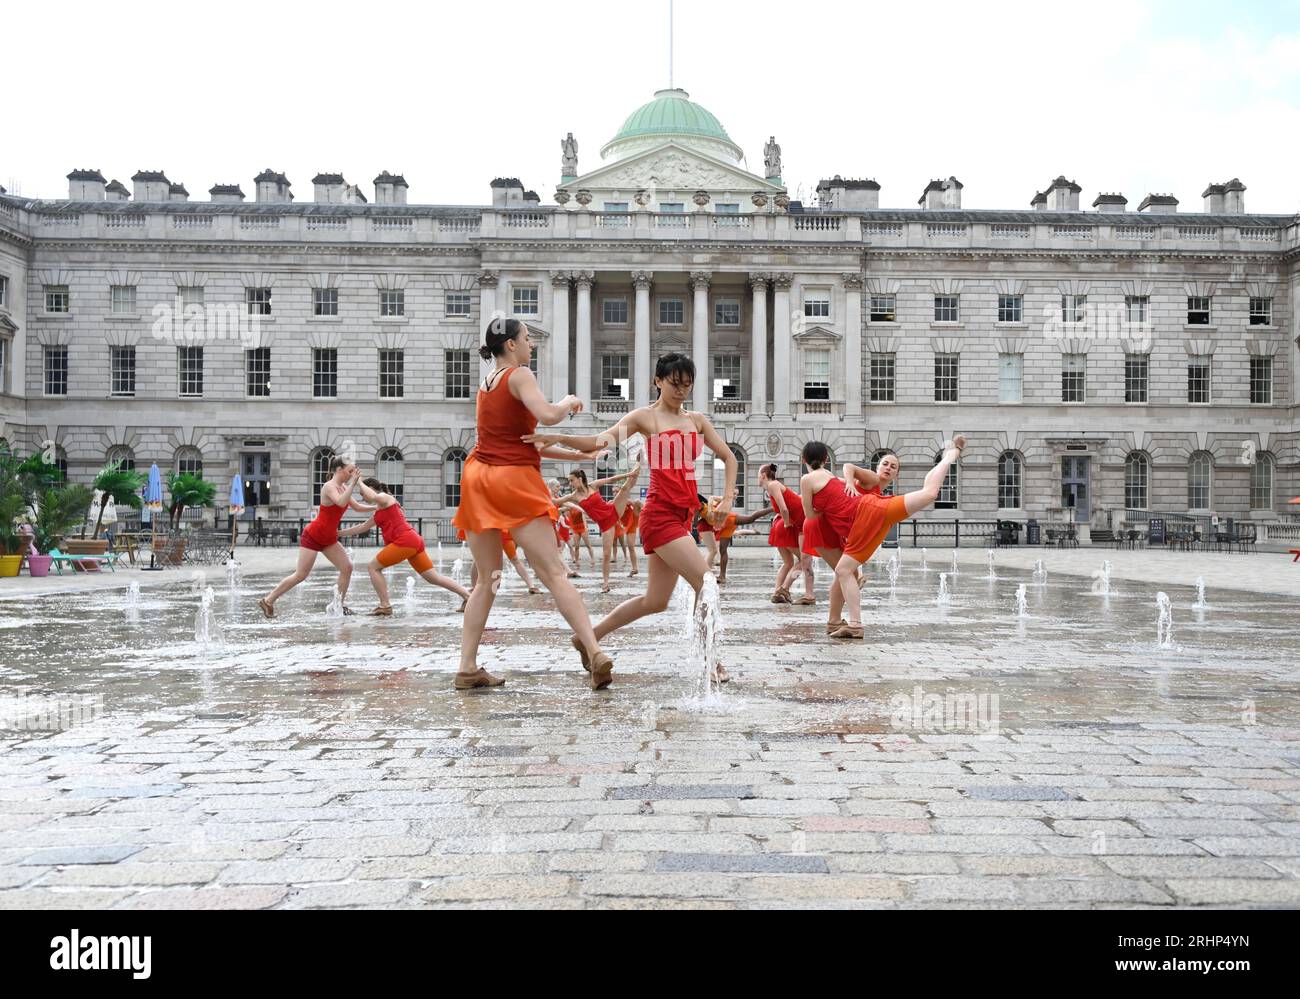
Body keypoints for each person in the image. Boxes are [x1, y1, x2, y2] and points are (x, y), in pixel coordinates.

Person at [524, 352, 737, 683]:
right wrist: (561, 437)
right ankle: (710, 660)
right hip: (660, 515)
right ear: (657, 381)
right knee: (706, 582)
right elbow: (598, 442)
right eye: (674, 383)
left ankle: (587, 637)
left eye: (687, 384)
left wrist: (728, 497)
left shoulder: (697, 421)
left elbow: (729, 457)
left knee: (655, 601)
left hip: (683, 517)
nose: (681, 390)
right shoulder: (645, 418)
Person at [451, 318, 613, 690]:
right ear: (511, 344)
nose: (531, 344)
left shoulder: (486, 384)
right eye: (526, 338)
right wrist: (569, 401)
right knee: (554, 574)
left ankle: (467, 667)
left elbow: (525, 442)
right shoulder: (520, 374)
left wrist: (578, 457)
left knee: (487, 580)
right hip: (512, 480)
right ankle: (593, 652)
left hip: (478, 478)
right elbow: (549, 416)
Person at [829, 437, 967, 639]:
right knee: (843, 571)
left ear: (896, 475)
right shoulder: (870, 479)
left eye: (893, 467)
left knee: (929, 493)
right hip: (869, 521)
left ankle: (949, 456)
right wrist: (848, 482)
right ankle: (843, 622)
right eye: (885, 464)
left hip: (876, 515)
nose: (888, 468)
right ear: (877, 467)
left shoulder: (879, 493)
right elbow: (844, 472)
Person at [259, 459, 374, 617]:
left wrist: (380, 506)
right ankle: (268, 600)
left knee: (347, 567)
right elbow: (341, 502)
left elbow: (357, 507)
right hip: (314, 535)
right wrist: (353, 483)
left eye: (353, 472)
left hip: (329, 537)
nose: (352, 475)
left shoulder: (343, 487)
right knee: (301, 575)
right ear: (338, 469)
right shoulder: (329, 486)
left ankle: (338, 606)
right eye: (350, 471)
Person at [340, 478, 471, 615]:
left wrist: (359, 481)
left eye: (362, 493)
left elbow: (373, 496)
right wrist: (339, 533)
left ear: (371, 488)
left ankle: (385, 605)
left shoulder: (385, 497)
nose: (362, 497)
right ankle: (468, 596)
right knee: (433, 577)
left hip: (405, 541)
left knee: (373, 567)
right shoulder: (380, 509)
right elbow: (362, 527)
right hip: (413, 541)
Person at [799, 442, 861, 636]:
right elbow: (810, 516)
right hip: (819, 527)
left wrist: (824, 510)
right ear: (826, 459)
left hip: (823, 525)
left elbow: (809, 512)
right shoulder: (831, 477)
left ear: (803, 459)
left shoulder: (808, 479)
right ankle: (835, 620)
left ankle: (835, 620)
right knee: (847, 572)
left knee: (846, 572)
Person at [553, 466, 641, 592]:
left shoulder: (593, 485)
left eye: (571, 480)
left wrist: (629, 474)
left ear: (579, 479)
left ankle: (637, 466)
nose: (570, 483)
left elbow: (611, 479)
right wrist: (543, 492)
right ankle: (605, 584)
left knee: (625, 487)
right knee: (606, 555)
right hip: (605, 524)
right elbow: (556, 501)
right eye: (569, 481)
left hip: (613, 510)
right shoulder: (574, 496)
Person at [761, 463, 814, 605]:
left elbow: (784, 509)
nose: (757, 478)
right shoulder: (773, 486)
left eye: (758, 475)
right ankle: (783, 590)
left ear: (763, 475)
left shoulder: (773, 485)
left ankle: (781, 590)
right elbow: (789, 504)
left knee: (798, 562)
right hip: (800, 522)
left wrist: (785, 522)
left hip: (802, 520)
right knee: (803, 561)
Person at [702, 498, 771, 583]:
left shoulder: (706, 505)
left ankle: (773, 508)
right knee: (722, 550)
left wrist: (710, 509)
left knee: (750, 519)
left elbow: (715, 498)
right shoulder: (700, 511)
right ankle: (722, 576)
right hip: (723, 526)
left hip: (728, 520)